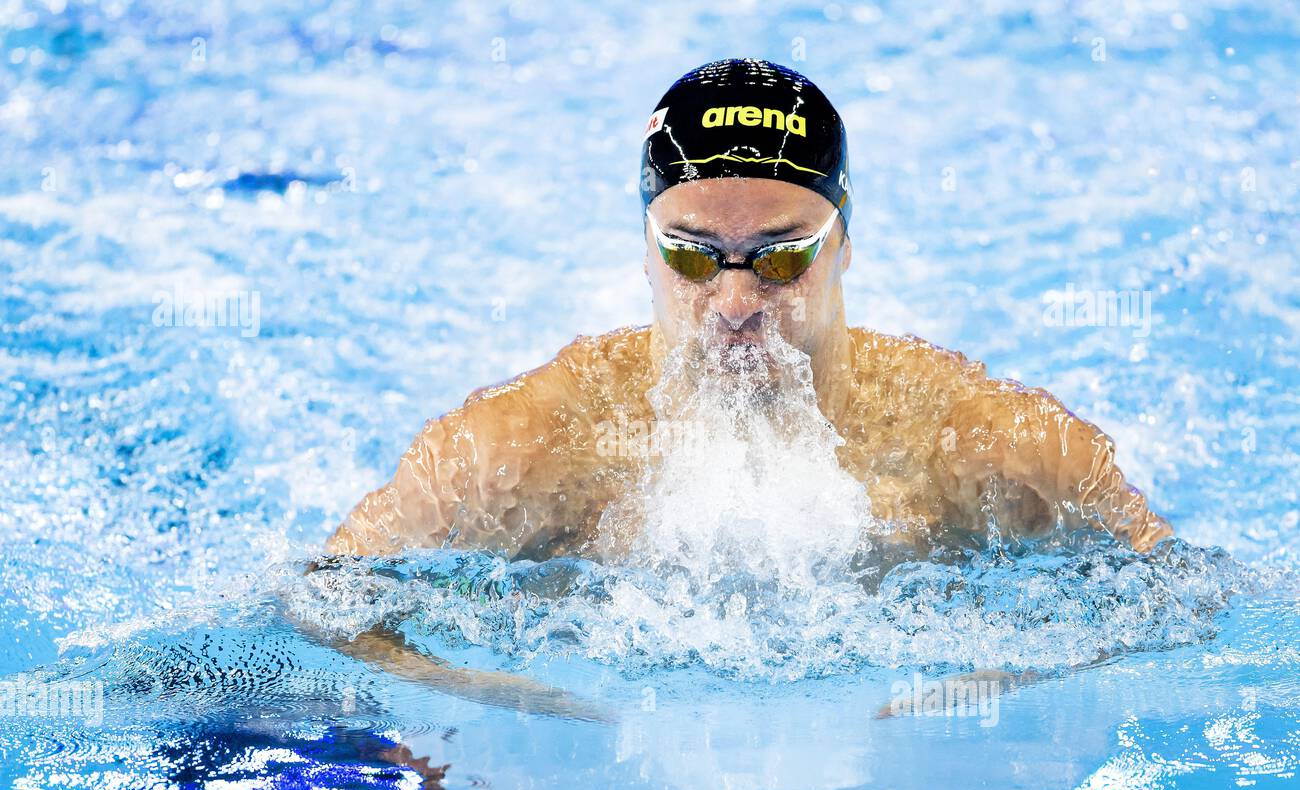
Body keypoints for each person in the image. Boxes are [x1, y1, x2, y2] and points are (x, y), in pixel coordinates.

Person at [326, 58, 1172, 564]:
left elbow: (1183, 604)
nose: (734, 303)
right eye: (692, 255)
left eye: (782, 258)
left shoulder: (988, 447)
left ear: (845, 243)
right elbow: (322, 609)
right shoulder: (515, 454)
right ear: (644, 247)